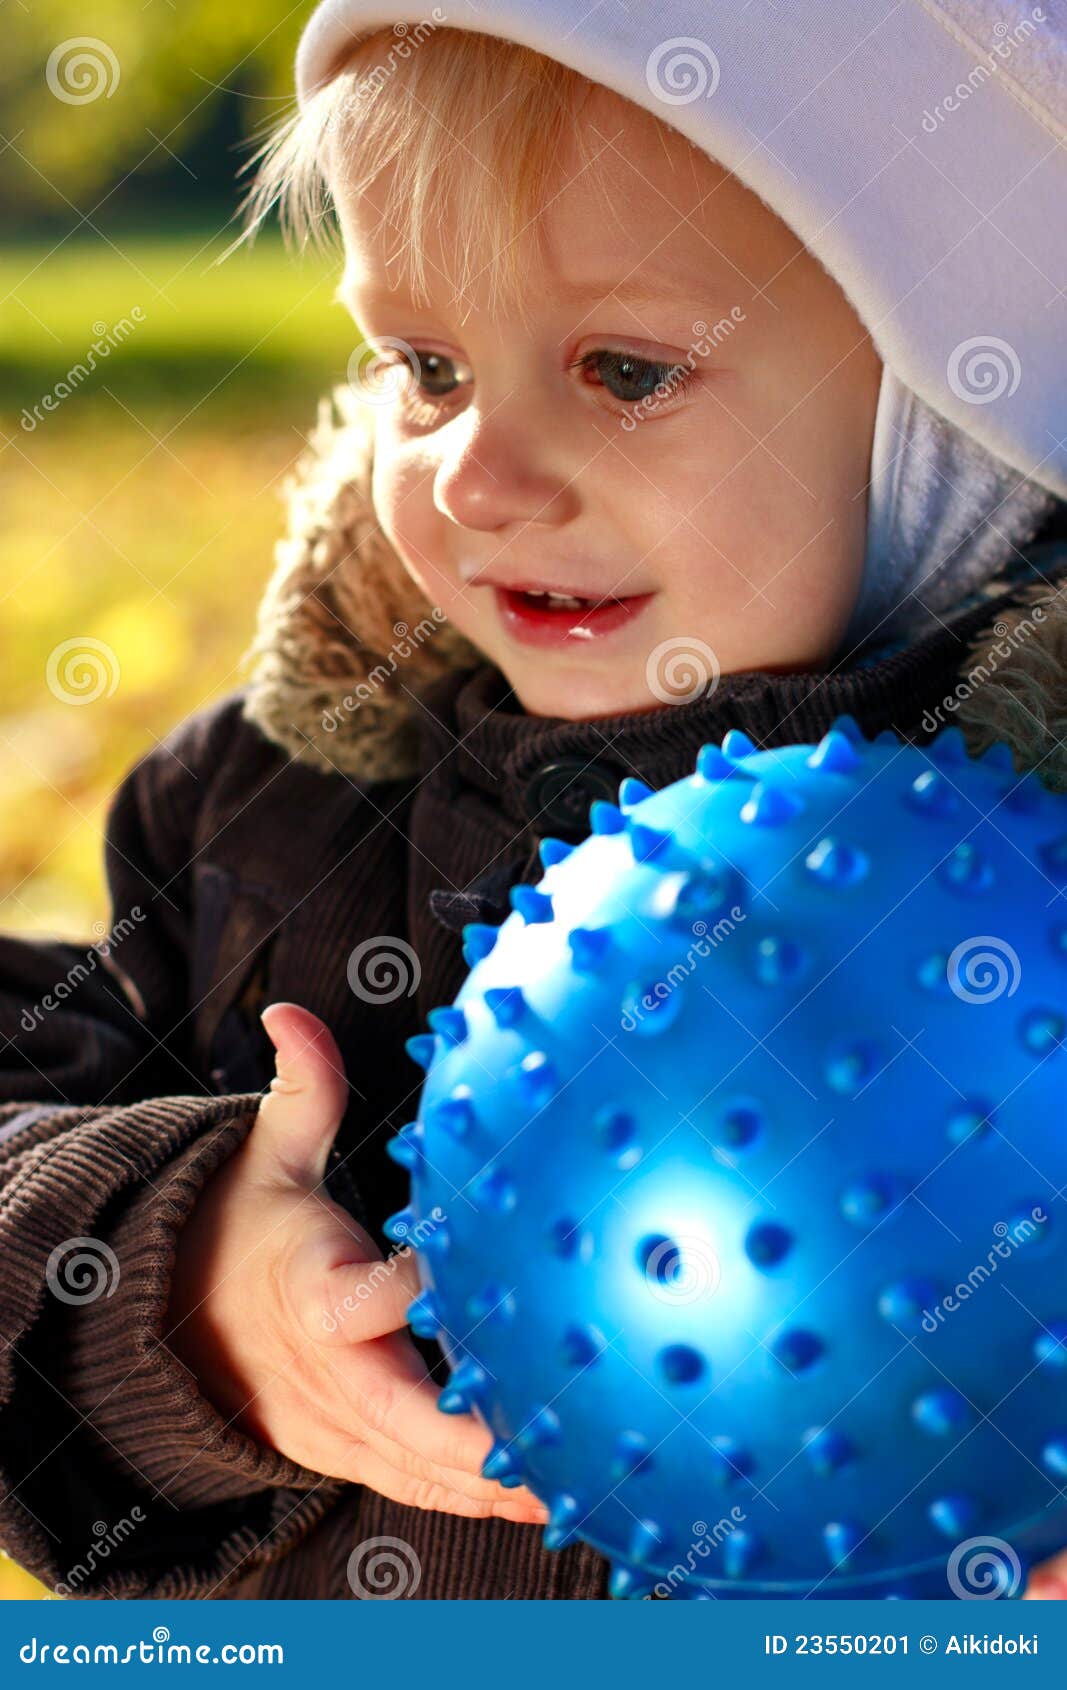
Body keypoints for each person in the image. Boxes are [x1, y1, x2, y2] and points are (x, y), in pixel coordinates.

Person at [2, 0, 1066, 1600]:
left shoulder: (1031, 918)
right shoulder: (268, 809)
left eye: (626, 369)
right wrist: (179, 1280)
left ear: (953, 424)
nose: (479, 476)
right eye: (424, 368)